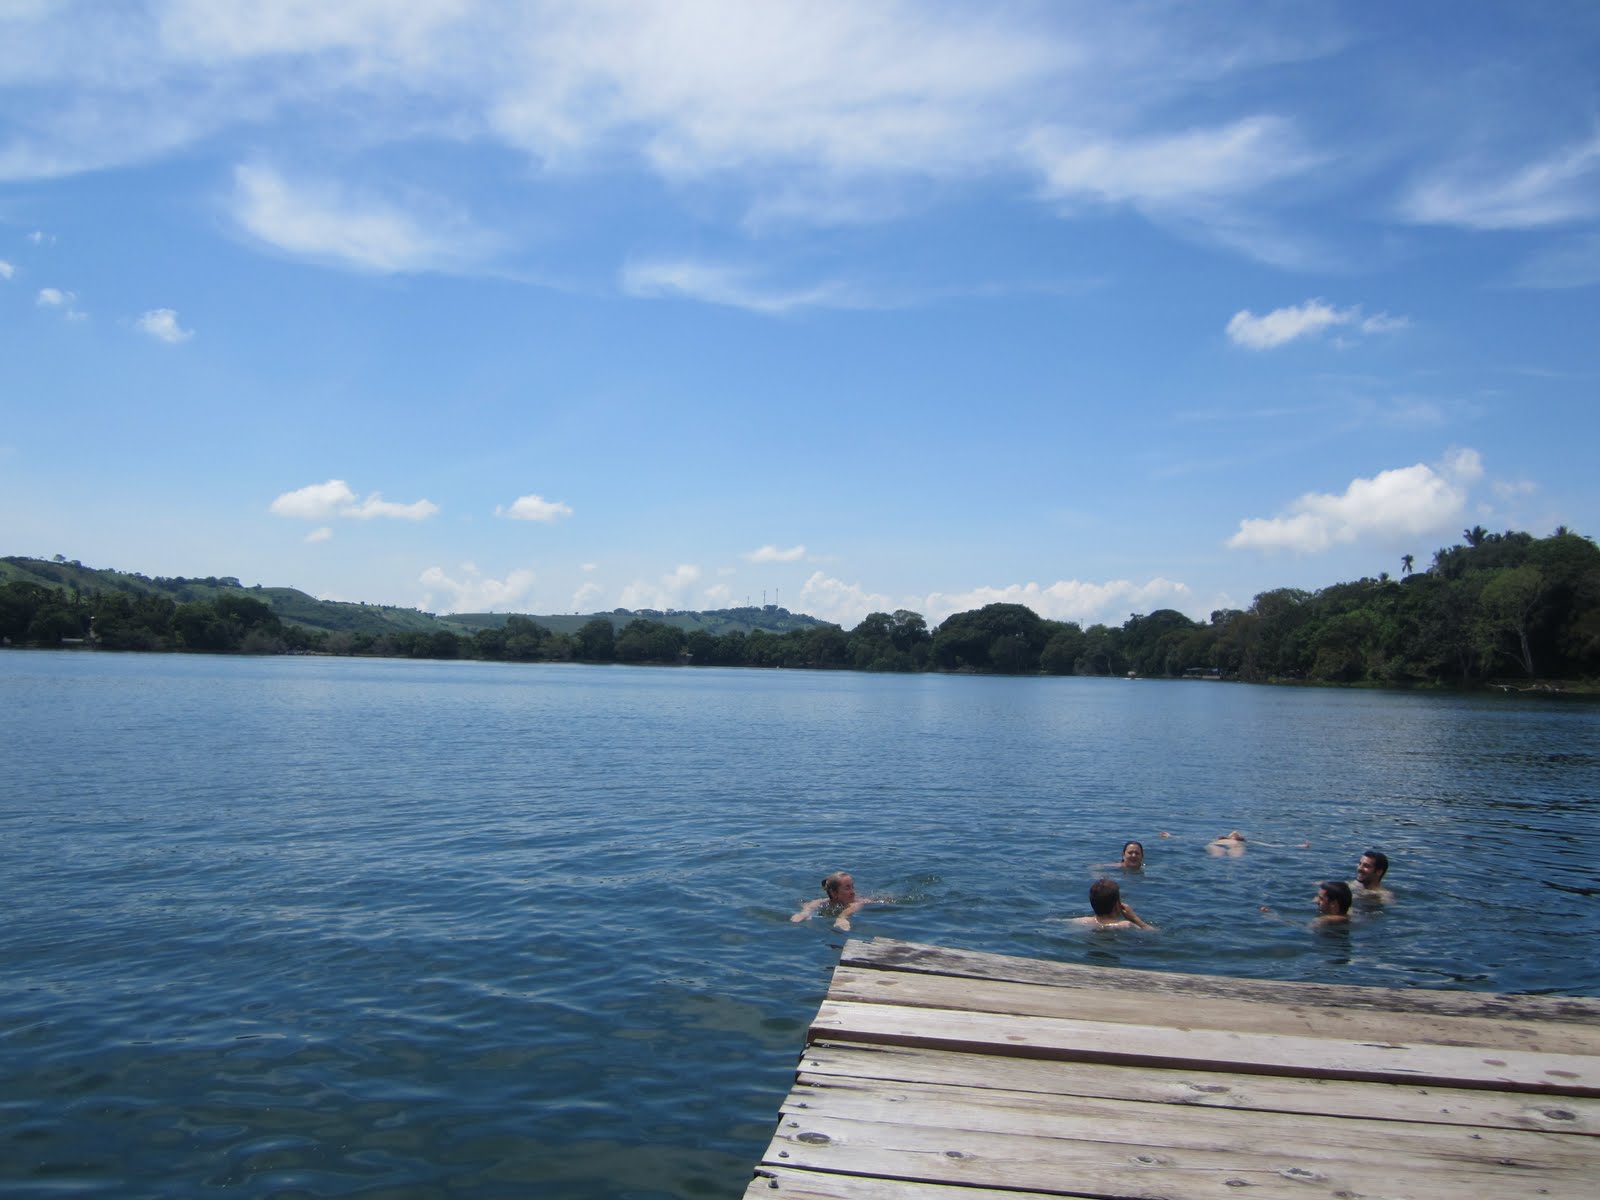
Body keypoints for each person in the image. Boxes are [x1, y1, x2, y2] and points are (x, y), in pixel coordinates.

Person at [791, 871, 880, 932]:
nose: (853, 892)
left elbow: (852, 908)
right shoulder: (826, 901)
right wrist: (804, 912)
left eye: (852, 887)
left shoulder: (857, 902)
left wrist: (842, 918)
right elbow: (812, 903)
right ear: (834, 893)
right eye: (847, 888)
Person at [1071, 877, 1155, 929]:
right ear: (1117, 905)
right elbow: (1154, 934)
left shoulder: (1080, 921)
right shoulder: (1126, 925)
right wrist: (1135, 919)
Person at [1261, 880, 1352, 926]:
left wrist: (1274, 917)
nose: (1316, 901)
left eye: (1321, 899)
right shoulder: (1351, 915)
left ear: (1333, 904)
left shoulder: (1323, 920)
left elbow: (1304, 928)